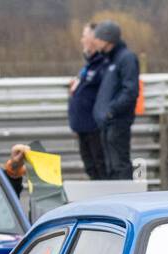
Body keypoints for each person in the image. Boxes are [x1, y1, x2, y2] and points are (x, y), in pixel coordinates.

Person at [91, 19, 140, 180]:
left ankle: (126, 198)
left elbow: (130, 91)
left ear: (107, 39)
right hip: (107, 123)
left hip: (117, 122)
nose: (94, 41)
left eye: (96, 38)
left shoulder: (126, 58)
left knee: (120, 165)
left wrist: (111, 111)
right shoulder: (109, 59)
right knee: (111, 167)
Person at [68, 22, 108, 181]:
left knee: (100, 166)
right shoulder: (89, 65)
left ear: (94, 39)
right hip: (82, 126)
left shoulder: (103, 65)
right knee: (90, 166)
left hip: (94, 127)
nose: (82, 40)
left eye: (84, 36)